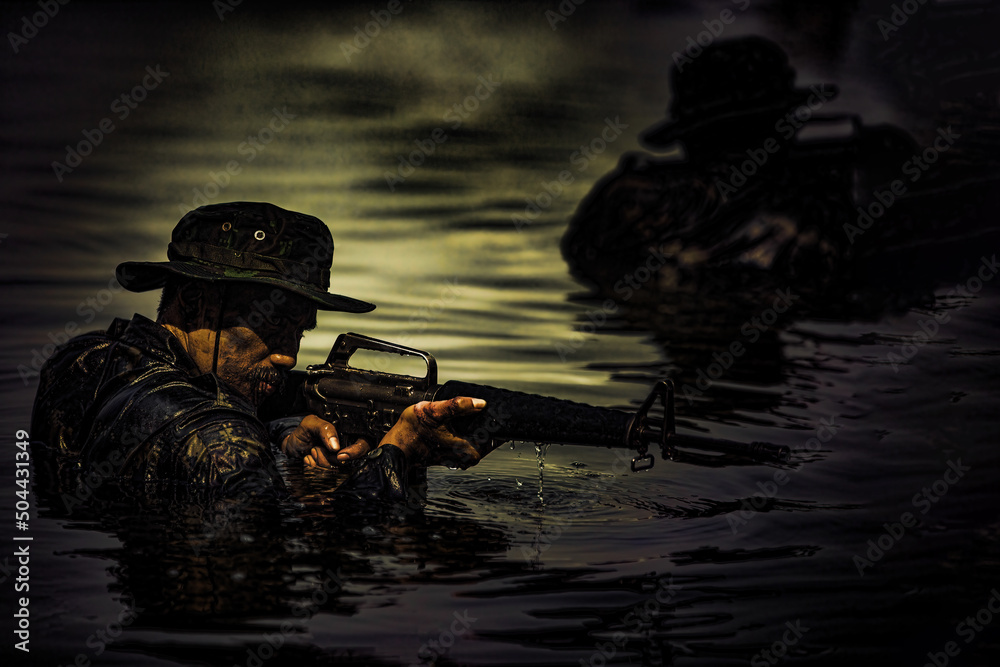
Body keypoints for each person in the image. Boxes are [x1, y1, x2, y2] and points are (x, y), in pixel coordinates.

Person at [30, 201, 486, 504]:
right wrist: (396, 458)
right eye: (271, 323)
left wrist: (283, 435)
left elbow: (178, 418)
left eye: (299, 332)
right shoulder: (223, 442)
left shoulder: (81, 359)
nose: (288, 357)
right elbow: (318, 535)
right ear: (194, 299)